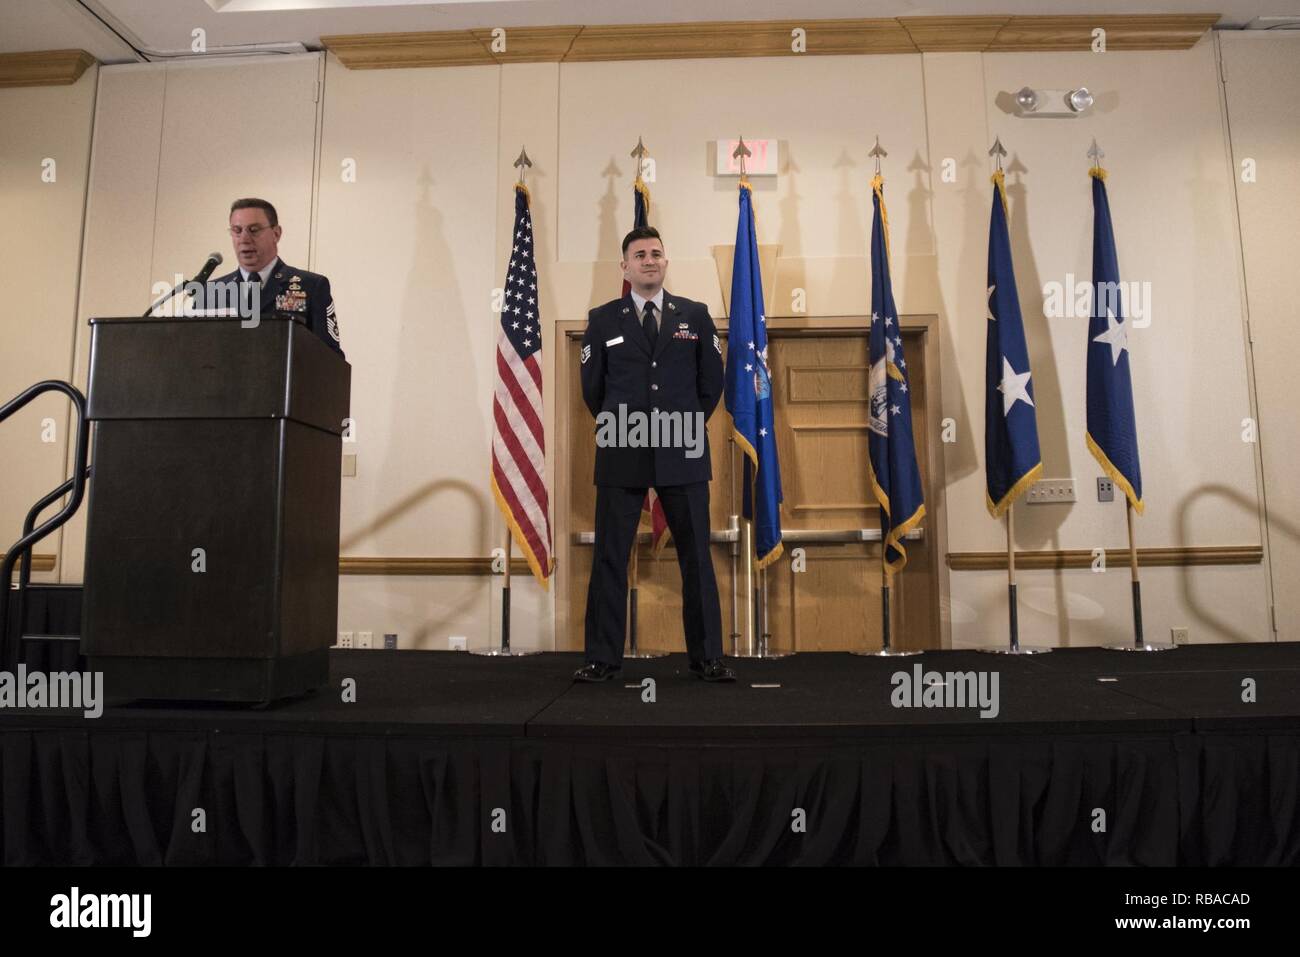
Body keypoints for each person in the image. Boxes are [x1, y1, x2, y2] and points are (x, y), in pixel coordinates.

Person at [574, 226, 734, 683]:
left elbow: (711, 385)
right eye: (639, 254)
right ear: (624, 266)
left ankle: (708, 659)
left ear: (666, 263)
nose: (649, 260)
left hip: (681, 446)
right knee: (610, 554)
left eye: (656, 254)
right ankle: (601, 659)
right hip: (622, 445)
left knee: (696, 557)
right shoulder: (603, 319)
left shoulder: (695, 316)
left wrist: (680, 425)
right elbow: (593, 390)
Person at [212, 198, 344, 357]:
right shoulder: (212, 292)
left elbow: (331, 357)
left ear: (276, 234)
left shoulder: (311, 287)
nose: (244, 239)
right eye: (237, 230)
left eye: (254, 230)